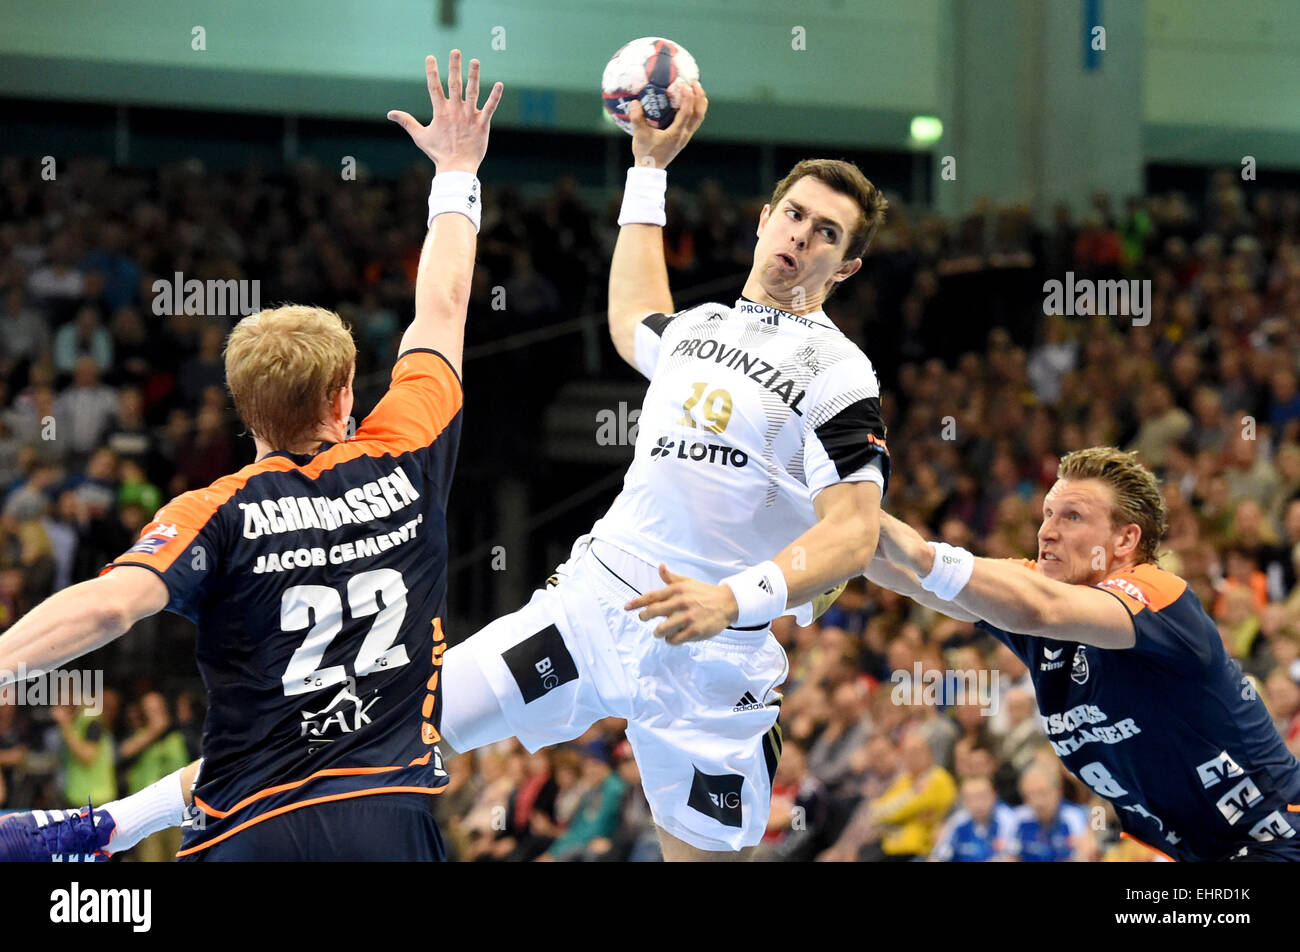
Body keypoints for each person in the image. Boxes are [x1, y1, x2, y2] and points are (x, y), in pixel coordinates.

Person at [5, 77, 891, 863]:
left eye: (827, 234)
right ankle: (101, 829)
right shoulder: (696, 330)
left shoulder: (839, 371)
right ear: (763, 218)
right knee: (362, 726)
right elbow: (631, 319)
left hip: (712, 655)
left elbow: (851, 535)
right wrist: (648, 168)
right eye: (795, 215)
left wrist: (732, 599)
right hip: (593, 609)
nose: (802, 238)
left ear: (844, 264)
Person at [0, 50, 503, 862]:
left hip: (253, 828)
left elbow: (103, 609)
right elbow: (441, 308)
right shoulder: (408, 446)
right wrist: (455, 170)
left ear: (242, 411)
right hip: (391, 820)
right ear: (345, 399)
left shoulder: (212, 510)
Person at [866, 445, 1300, 861]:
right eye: (1047, 513)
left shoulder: (1158, 594)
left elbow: (958, 575)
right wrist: (829, 511)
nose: (1046, 531)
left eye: (1072, 516)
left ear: (1126, 539)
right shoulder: (1036, 593)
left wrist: (920, 552)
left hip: (1280, 841)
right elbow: (908, 573)